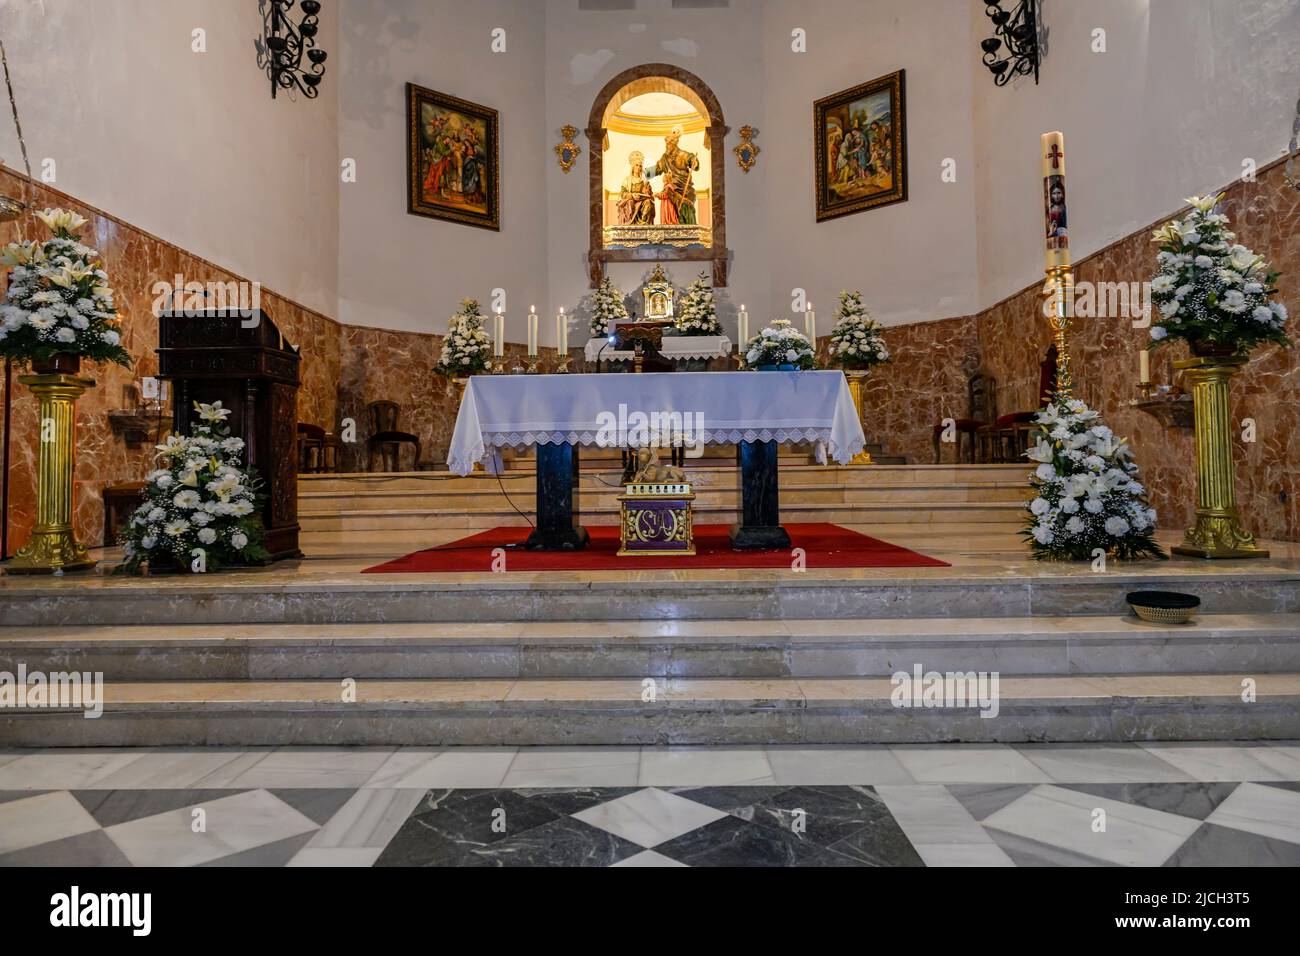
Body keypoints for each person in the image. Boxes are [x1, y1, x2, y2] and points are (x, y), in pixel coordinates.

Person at [645, 126, 700, 225]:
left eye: (669, 143)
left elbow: (692, 160)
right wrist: (644, 173)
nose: (667, 145)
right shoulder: (664, 158)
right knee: (670, 214)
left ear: (674, 144)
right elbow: (656, 169)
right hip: (670, 192)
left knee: (684, 212)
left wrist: (694, 162)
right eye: (666, 143)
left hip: (683, 191)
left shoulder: (683, 155)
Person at [617, 151, 655, 225]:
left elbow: (650, 194)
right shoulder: (627, 179)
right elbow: (623, 193)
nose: (638, 167)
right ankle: (631, 224)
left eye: (640, 166)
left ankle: (643, 223)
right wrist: (632, 195)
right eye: (637, 165)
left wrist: (648, 191)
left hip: (642, 201)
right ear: (633, 167)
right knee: (630, 202)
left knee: (648, 203)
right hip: (631, 200)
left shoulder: (644, 179)